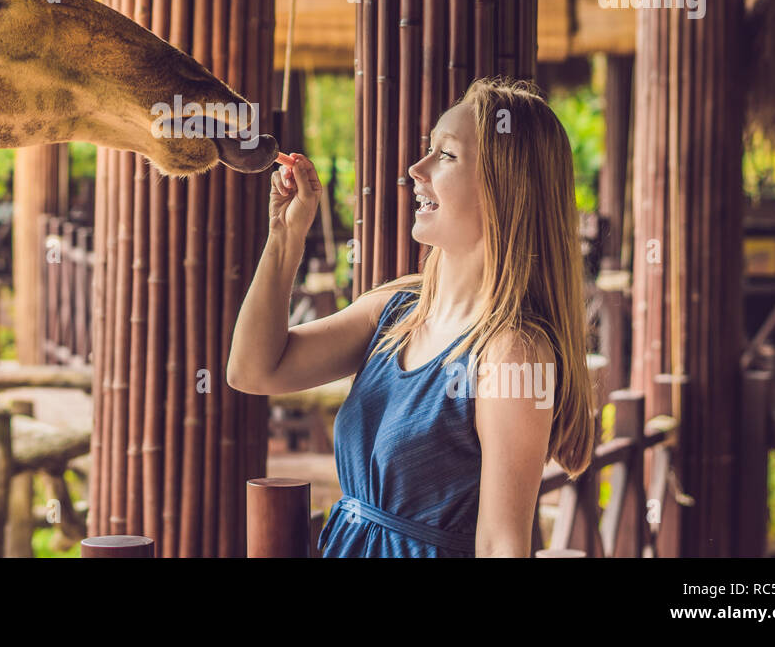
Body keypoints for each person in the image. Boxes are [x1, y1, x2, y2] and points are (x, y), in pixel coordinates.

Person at [228, 76, 596, 557]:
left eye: (445, 155)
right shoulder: (396, 311)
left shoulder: (512, 352)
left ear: (506, 187)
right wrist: (285, 234)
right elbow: (253, 370)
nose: (415, 169)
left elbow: (500, 542)